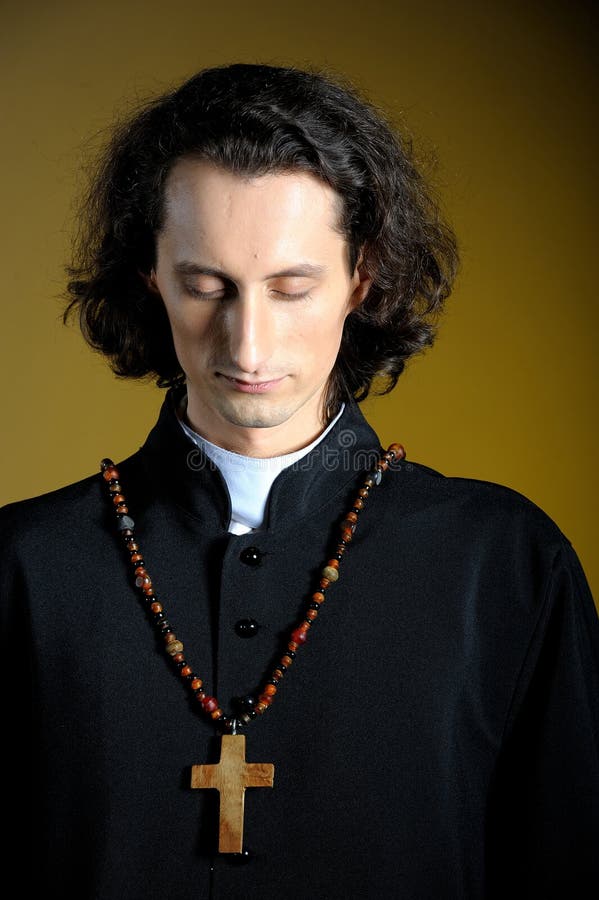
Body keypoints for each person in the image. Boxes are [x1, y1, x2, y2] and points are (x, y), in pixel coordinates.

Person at [1, 62, 597, 900]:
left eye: (292, 288)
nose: (247, 347)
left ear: (362, 277)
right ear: (150, 277)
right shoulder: (19, 566)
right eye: (206, 286)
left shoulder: (504, 563)